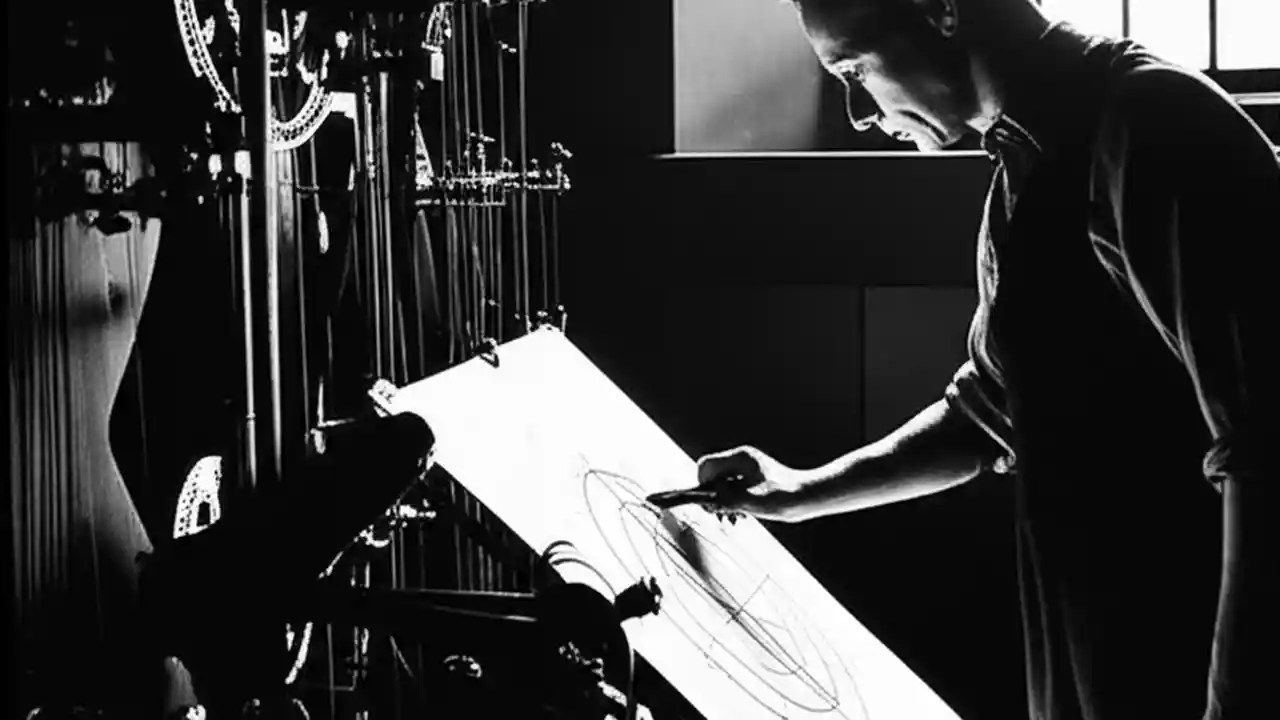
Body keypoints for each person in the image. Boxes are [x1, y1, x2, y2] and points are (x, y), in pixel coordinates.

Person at [695, 1, 1278, 718]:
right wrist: (800, 491)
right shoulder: (1025, 171)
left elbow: (1268, 453)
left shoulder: (1156, 129)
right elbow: (989, 411)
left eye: (854, 68)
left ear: (941, 9)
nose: (854, 110)